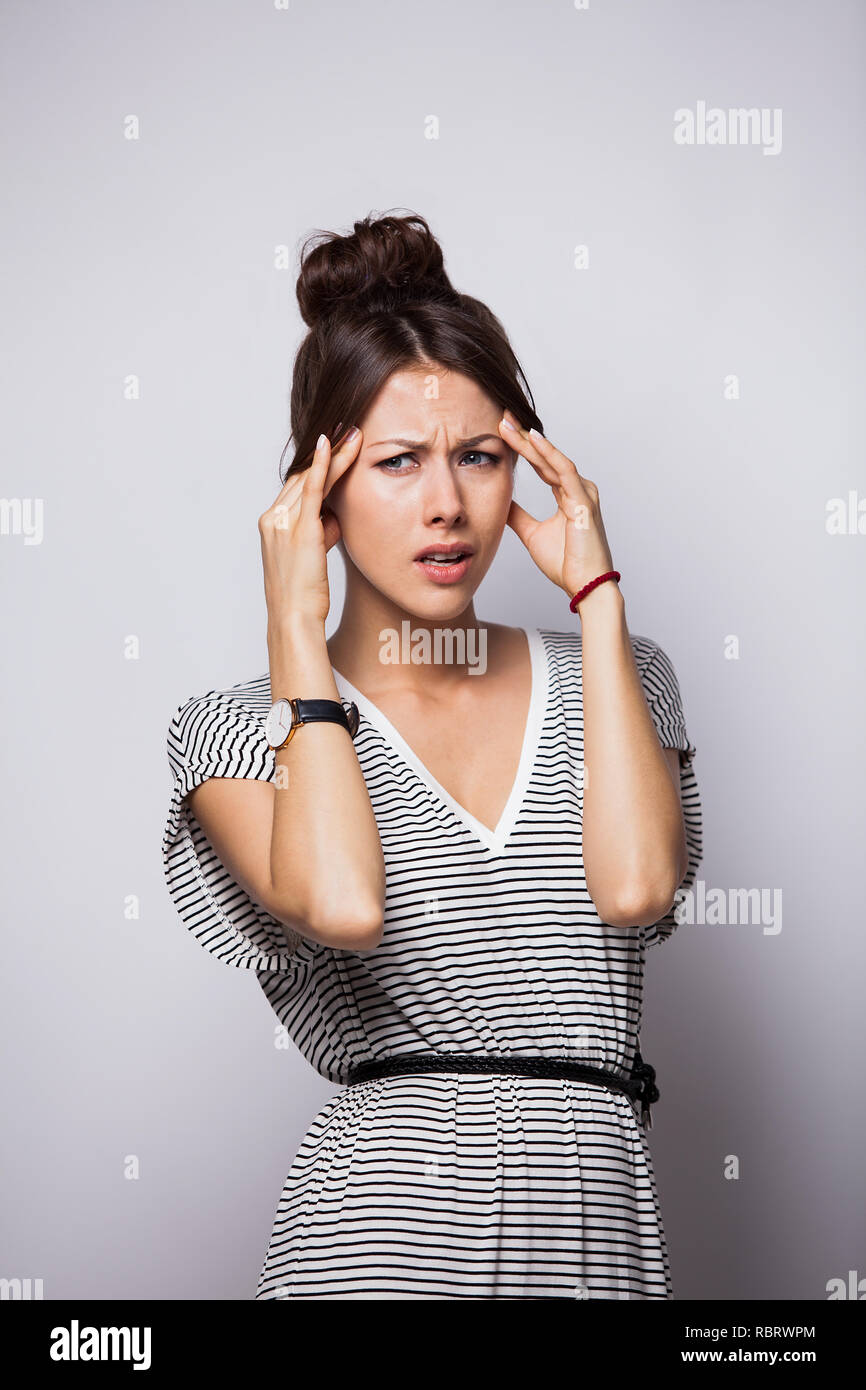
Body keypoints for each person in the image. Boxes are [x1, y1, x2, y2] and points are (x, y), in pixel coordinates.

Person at [162, 210, 702, 1300]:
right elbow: (344, 902)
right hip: (377, 1250)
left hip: (594, 1239)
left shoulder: (622, 677)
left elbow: (637, 887)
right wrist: (291, 631)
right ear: (315, 492)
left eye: (480, 457)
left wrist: (597, 600)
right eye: (398, 462)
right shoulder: (230, 730)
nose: (446, 503)